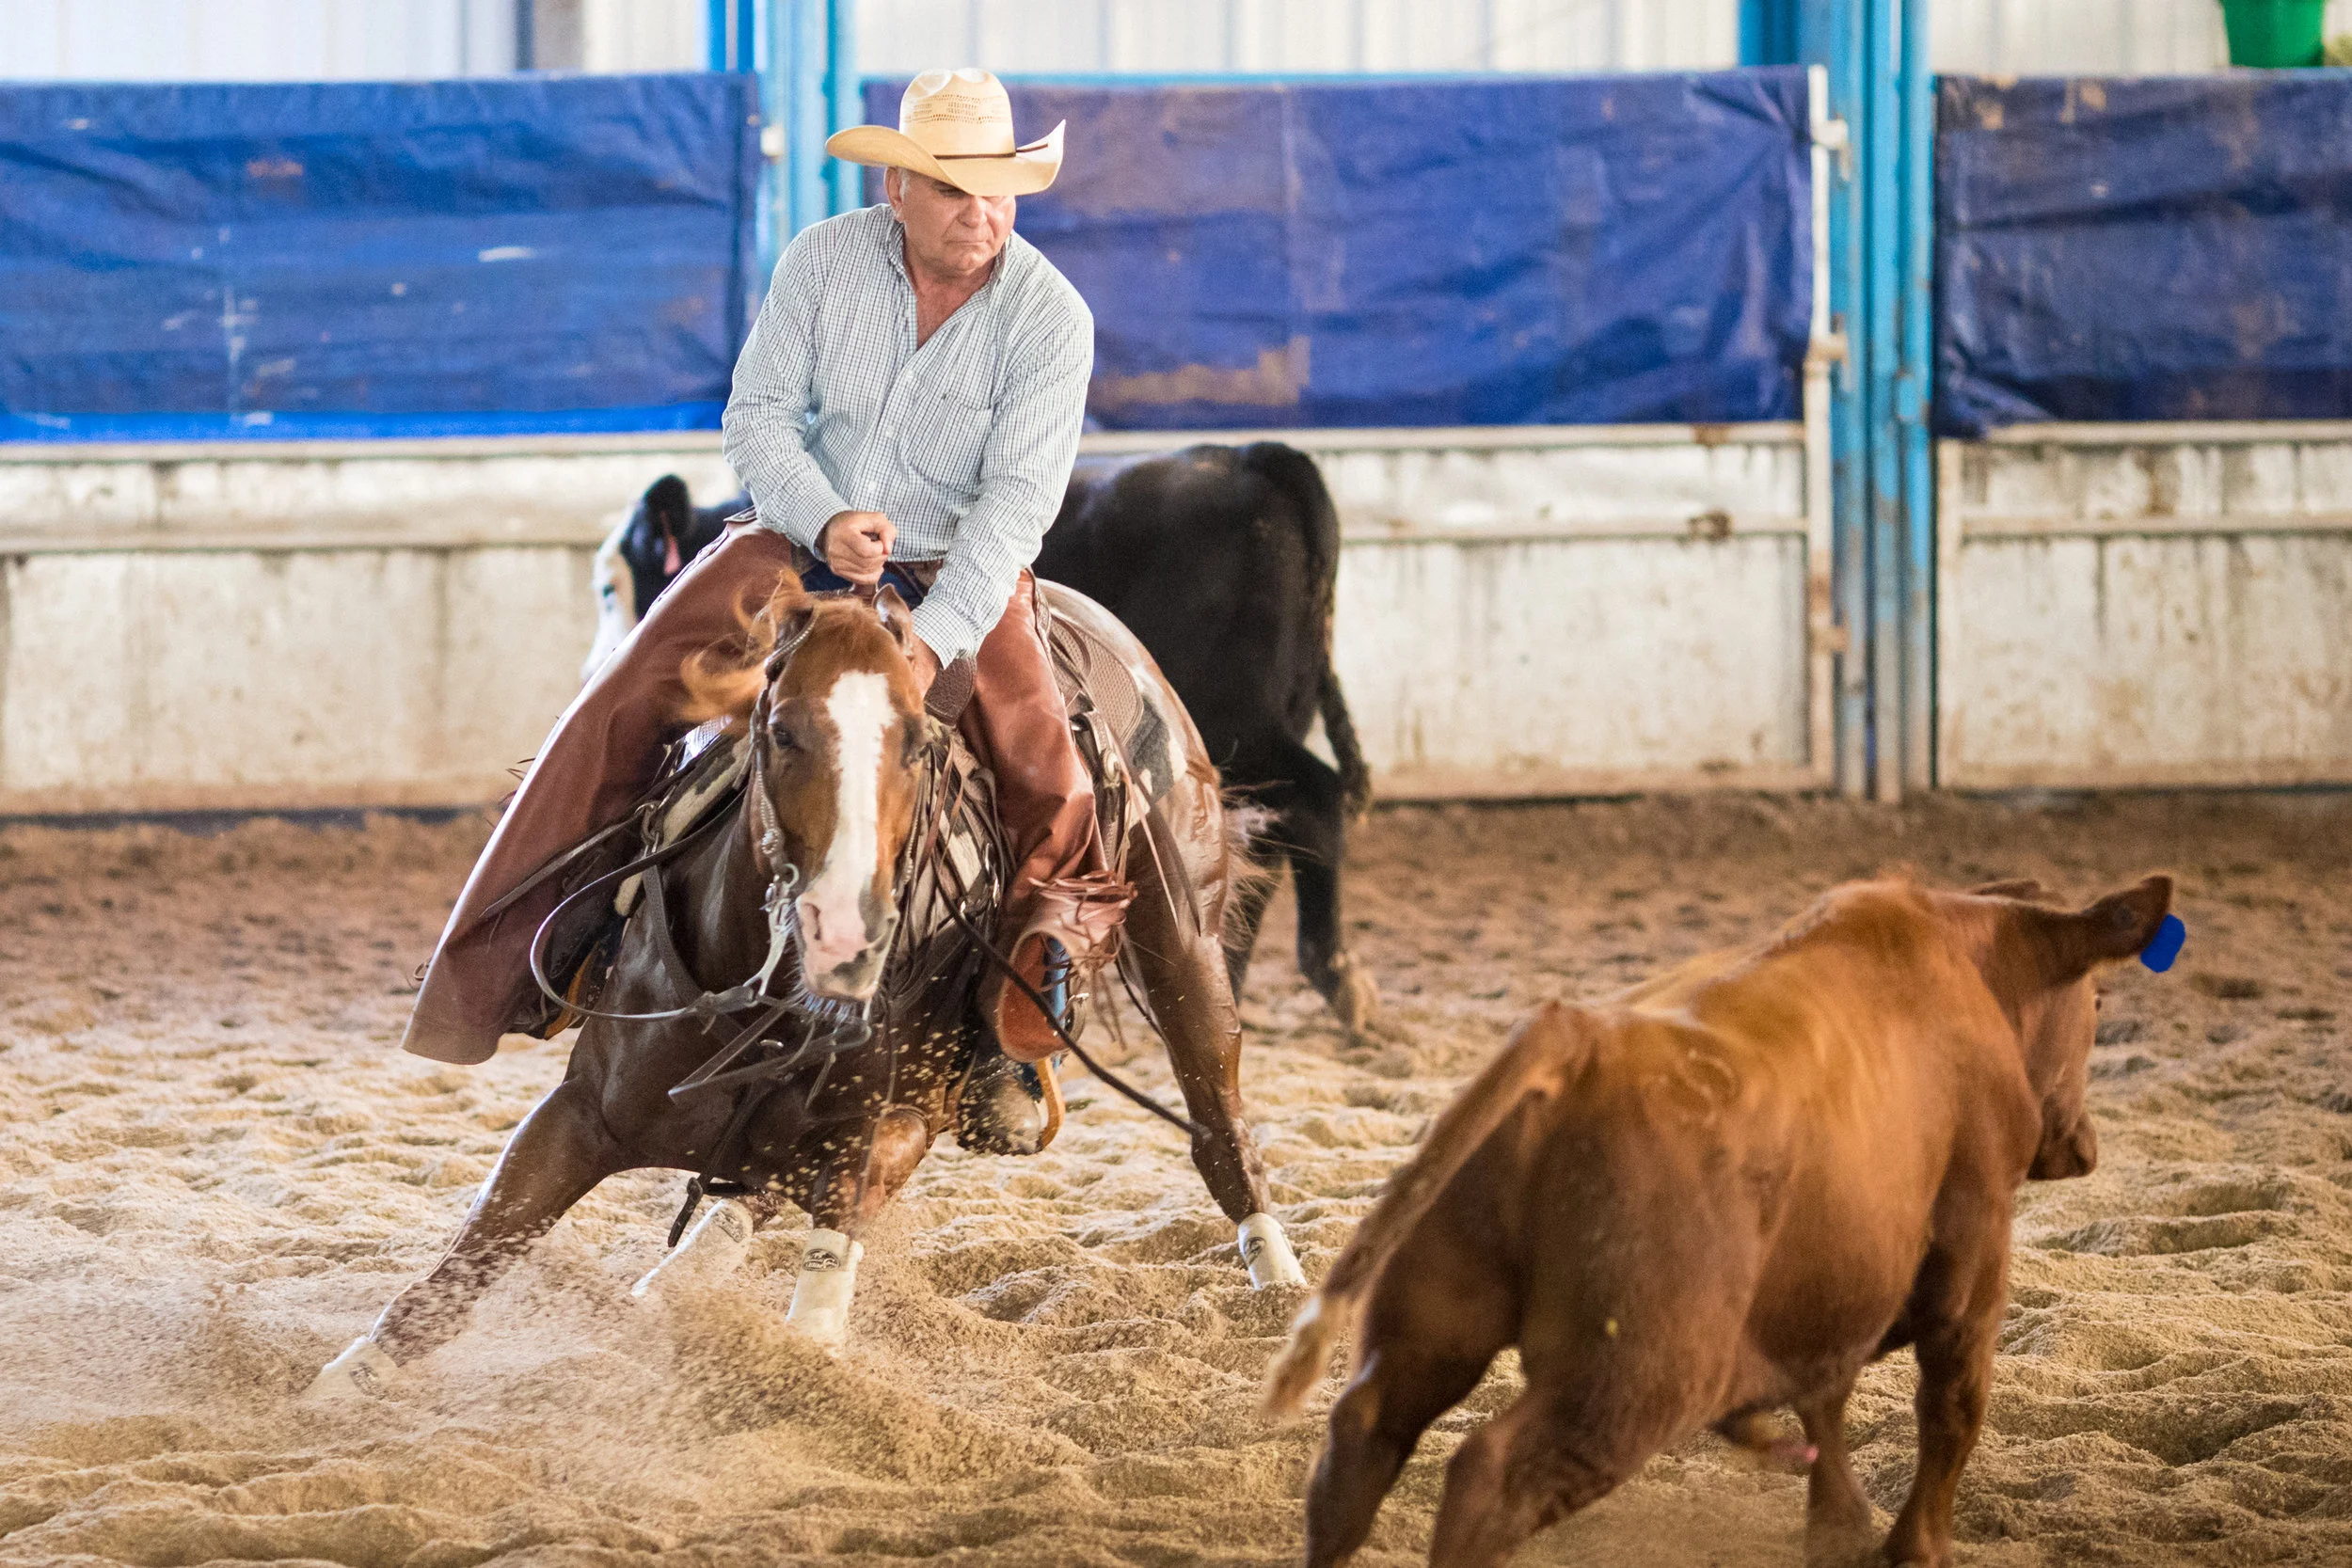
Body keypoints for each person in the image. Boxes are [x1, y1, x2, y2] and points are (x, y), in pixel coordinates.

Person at [399, 68, 1124, 1148]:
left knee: (1049, 776)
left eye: (1000, 191)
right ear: (896, 186)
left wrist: (936, 636)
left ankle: (1014, 1029)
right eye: (954, 190)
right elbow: (758, 418)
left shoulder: (1050, 317)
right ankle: (526, 953)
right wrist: (827, 519)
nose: (982, 214)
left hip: (958, 570)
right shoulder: (823, 263)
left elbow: (1017, 507)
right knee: (624, 696)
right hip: (795, 543)